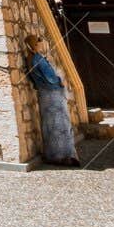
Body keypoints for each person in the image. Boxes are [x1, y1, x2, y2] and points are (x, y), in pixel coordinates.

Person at [25, 37, 79, 165]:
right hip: (53, 93)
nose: (40, 45)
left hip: (43, 94)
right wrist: (59, 81)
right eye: (38, 43)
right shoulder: (37, 58)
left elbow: (33, 78)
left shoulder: (30, 59)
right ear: (33, 45)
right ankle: (65, 155)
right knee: (61, 124)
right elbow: (50, 77)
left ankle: (52, 154)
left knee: (49, 125)